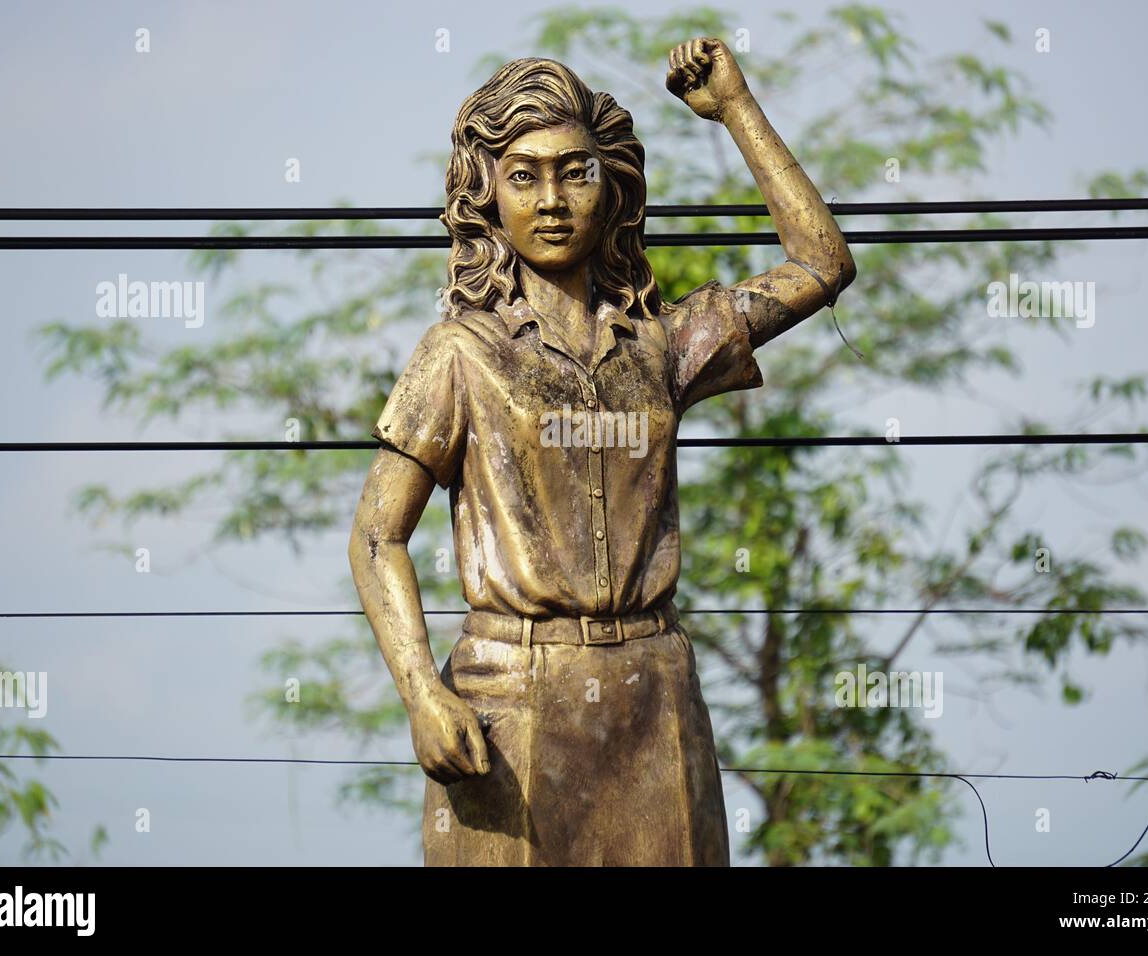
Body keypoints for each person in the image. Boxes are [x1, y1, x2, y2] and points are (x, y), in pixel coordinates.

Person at [349, 36, 855, 866]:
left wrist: (734, 106)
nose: (552, 200)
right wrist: (420, 692)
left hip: (655, 698)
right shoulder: (459, 353)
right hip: (508, 705)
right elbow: (376, 537)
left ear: (612, 190)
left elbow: (821, 263)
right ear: (487, 198)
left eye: (575, 172)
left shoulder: (660, 348)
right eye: (524, 176)